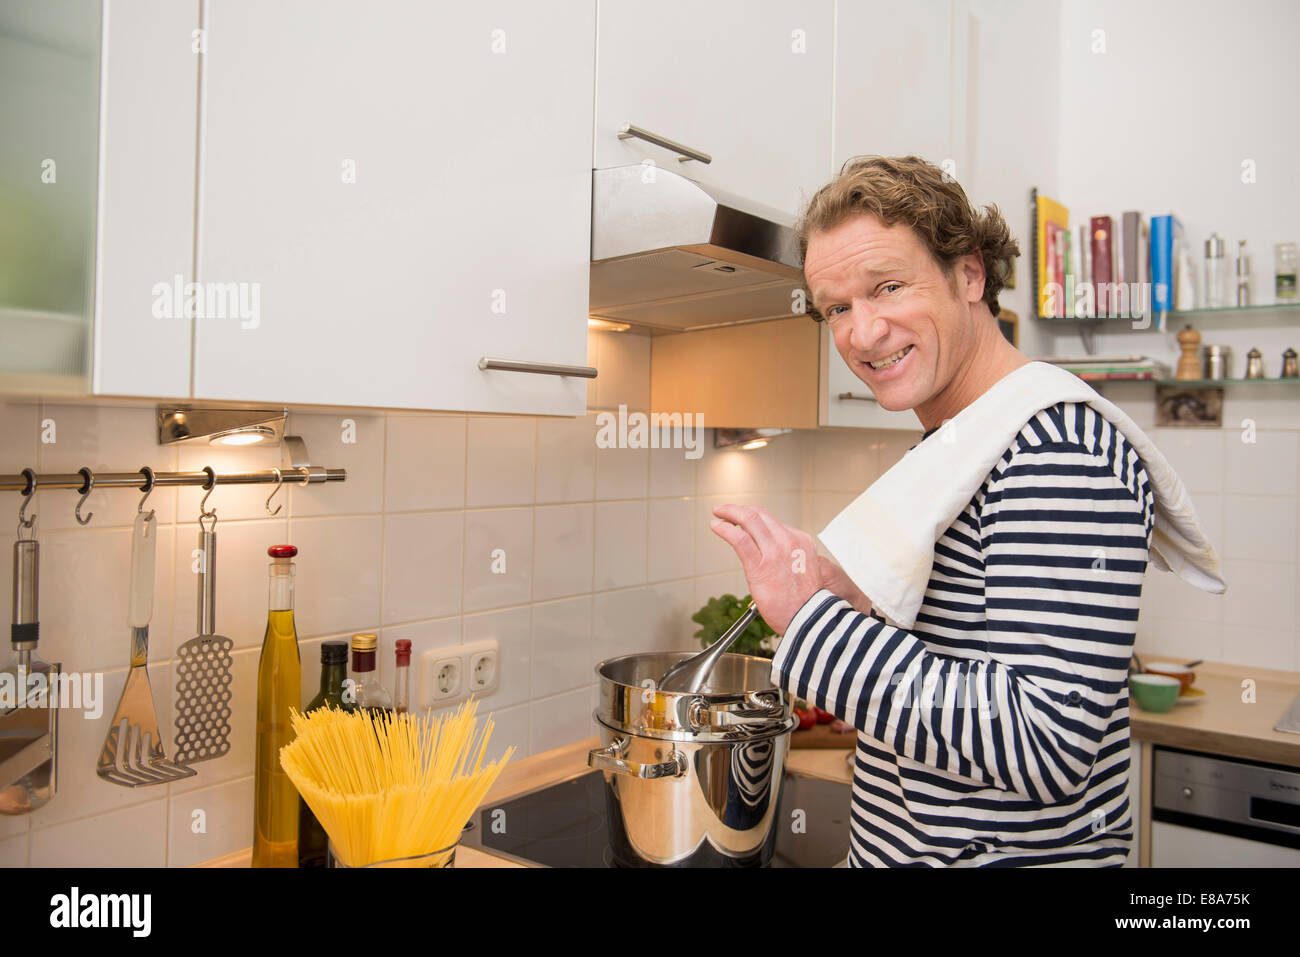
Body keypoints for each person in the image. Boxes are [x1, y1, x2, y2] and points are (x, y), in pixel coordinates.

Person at [708, 155, 1221, 867]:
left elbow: (1049, 743)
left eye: (887, 286)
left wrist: (811, 622)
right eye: (837, 308)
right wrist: (840, 596)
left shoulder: (1056, 449)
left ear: (970, 275)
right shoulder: (965, 442)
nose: (862, 332)